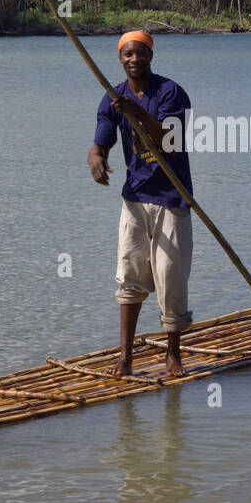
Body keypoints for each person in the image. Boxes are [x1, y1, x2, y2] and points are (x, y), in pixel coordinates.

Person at [88, 30, 193, 379]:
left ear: (150, 55)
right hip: (134, 197)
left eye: (141, 54)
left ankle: (172, 355)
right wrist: (96, 158)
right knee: (130, 277)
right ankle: (126, 357)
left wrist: (139, 114)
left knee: (170, 276)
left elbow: (171, 139)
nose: (135, 60)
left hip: (171, 198)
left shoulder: (170, 93)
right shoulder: (113, 97)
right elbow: (102, 138)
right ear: (120, 58)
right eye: (128, 54)